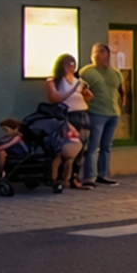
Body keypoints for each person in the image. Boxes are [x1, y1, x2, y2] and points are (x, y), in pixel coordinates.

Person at [43, 54, 95, 189]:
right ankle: (60, 178)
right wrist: (73, 89)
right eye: (68, 64)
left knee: (81, 147)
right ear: (61, 66)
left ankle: (75, 177)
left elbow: (88, 96)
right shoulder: (54, 80)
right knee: (66, 148)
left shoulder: (77, 80)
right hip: (68, 116)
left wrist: (85, 92)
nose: (71, 67)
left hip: (82, 114)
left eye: (73, 64)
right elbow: (54, 98)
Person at [78, 42, 123, 186]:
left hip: (113, 112)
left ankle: (102, 175)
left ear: (108, 55)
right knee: (93, 146)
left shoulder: (115, 73)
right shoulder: (86, 72)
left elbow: (120, 90)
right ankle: (88, 176)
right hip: (96, 112)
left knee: (106, 146)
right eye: (96, 53)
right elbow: (80, 91)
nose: (99, 56)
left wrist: (120, 105)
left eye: (102, 53)